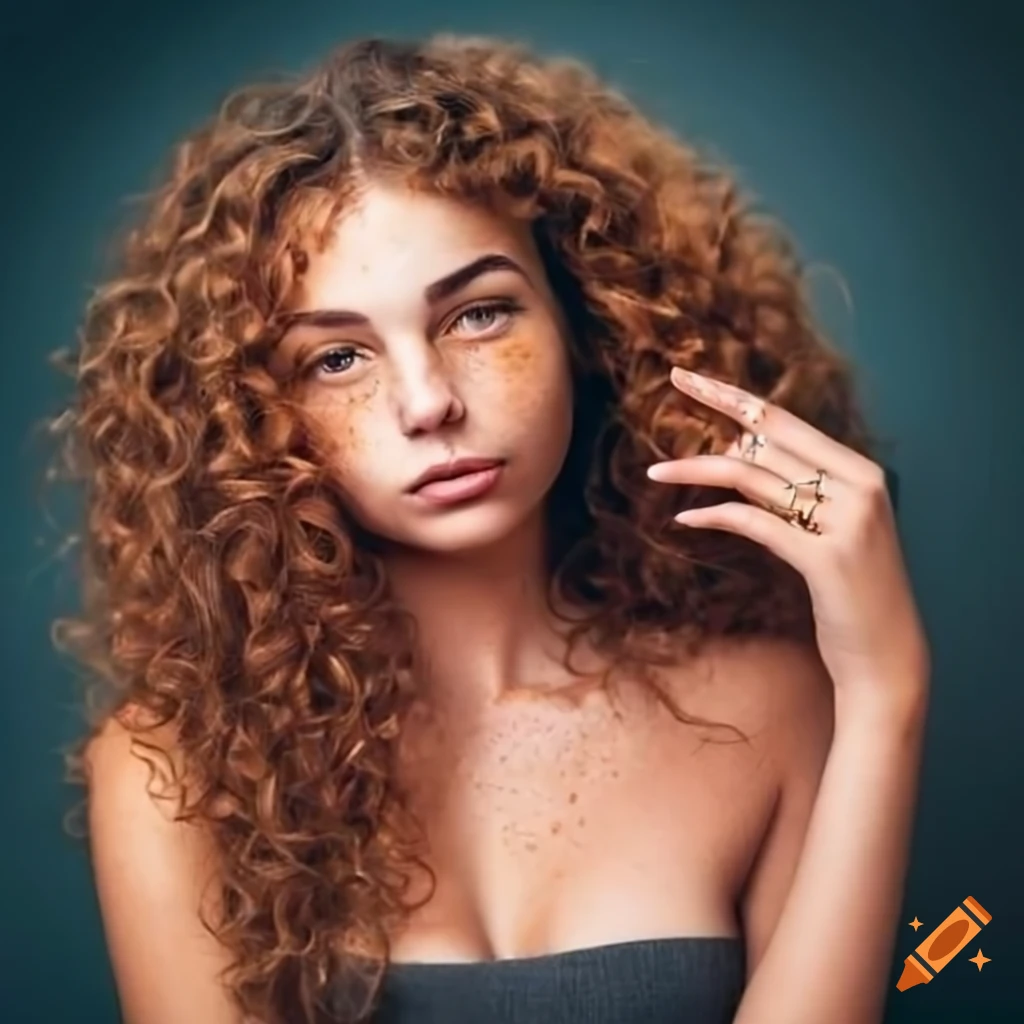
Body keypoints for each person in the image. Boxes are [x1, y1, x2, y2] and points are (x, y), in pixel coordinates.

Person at [47, 32, 931, 1024]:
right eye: (336, 359)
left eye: (478, 316)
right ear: (256, 414)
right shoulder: (183, 772)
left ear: (583, 320)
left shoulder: (771, 709)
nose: (426, 402)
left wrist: (885, 694)